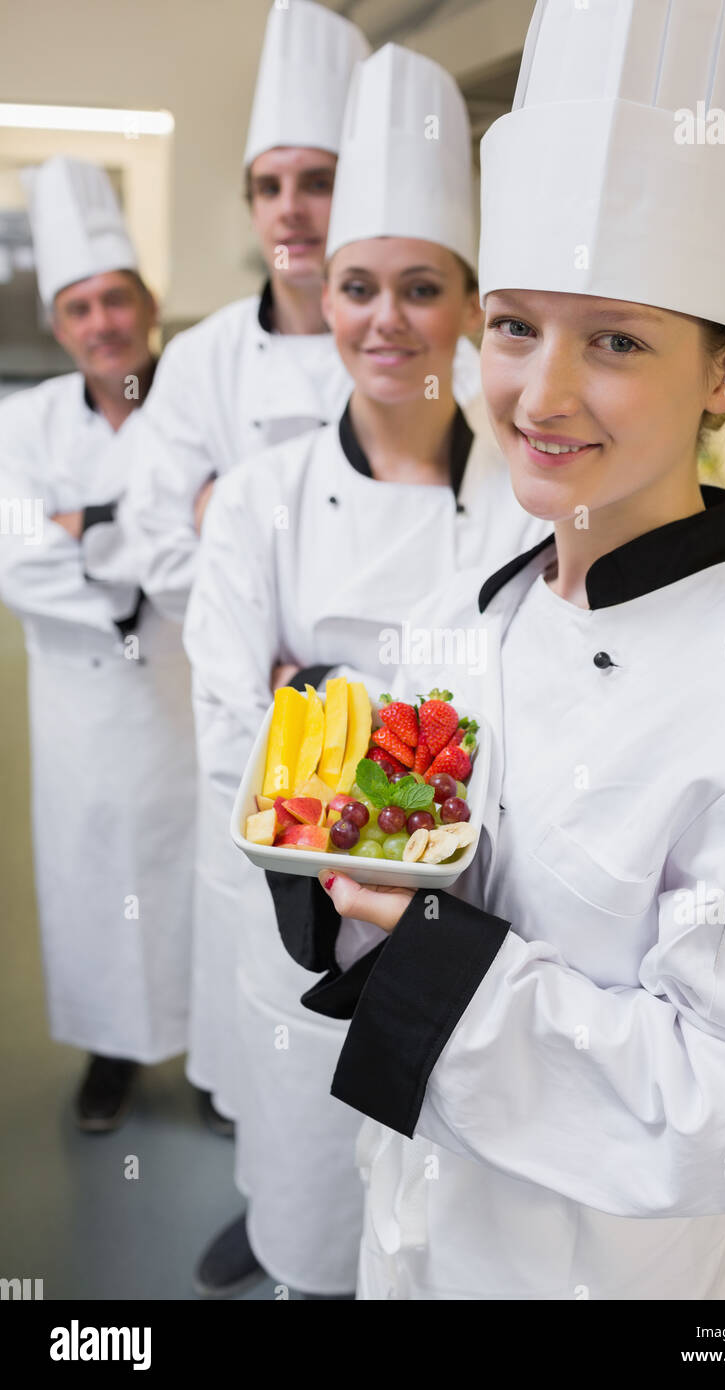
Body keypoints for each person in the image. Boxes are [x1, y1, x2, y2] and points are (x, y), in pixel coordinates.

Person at [268, 0, 725, 1299]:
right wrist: (348, 854)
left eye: (614, 340)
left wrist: (430, 966)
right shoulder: (507, 592)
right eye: (515, 324)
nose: (537, 395)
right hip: (419, 1212)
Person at [183, 42, 550, 1299]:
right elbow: (235, 718)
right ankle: (290, 1258)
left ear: (464, 303)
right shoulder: (261, 499)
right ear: (324, 300)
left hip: (471, 907)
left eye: (419, 286)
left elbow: (533, 717)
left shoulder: (528, 498)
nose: (385, 320)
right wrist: (396, 747)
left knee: (435, 1202)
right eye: (356, 287)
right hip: (297, 903)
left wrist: (324, 707)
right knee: (301, 1156)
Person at [113, 0, 373, 1145]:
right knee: (255, 964)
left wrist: (238, 509)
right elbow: (154, 524)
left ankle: (346, 1222)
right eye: (269, 185)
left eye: (315, 180)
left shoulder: (425, 354)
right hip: (246, 726)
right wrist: (240, 625)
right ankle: (272, 1195)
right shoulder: (208, 358)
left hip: (390, 732)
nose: (291, 208)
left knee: (373, 973)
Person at [0, 157, 196, 1131]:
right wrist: (140, 549)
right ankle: (108, 1054)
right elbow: (17, 561)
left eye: (115, 299)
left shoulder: (196, 411)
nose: (102, 323)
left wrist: (90, 525)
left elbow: (214, 549)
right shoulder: (22, 423)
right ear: (59, 325)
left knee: (193, 877)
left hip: (189, 698)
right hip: (80, 706)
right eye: (79, 307)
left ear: (147, 303)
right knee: (93, 880)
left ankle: (212, 1062)